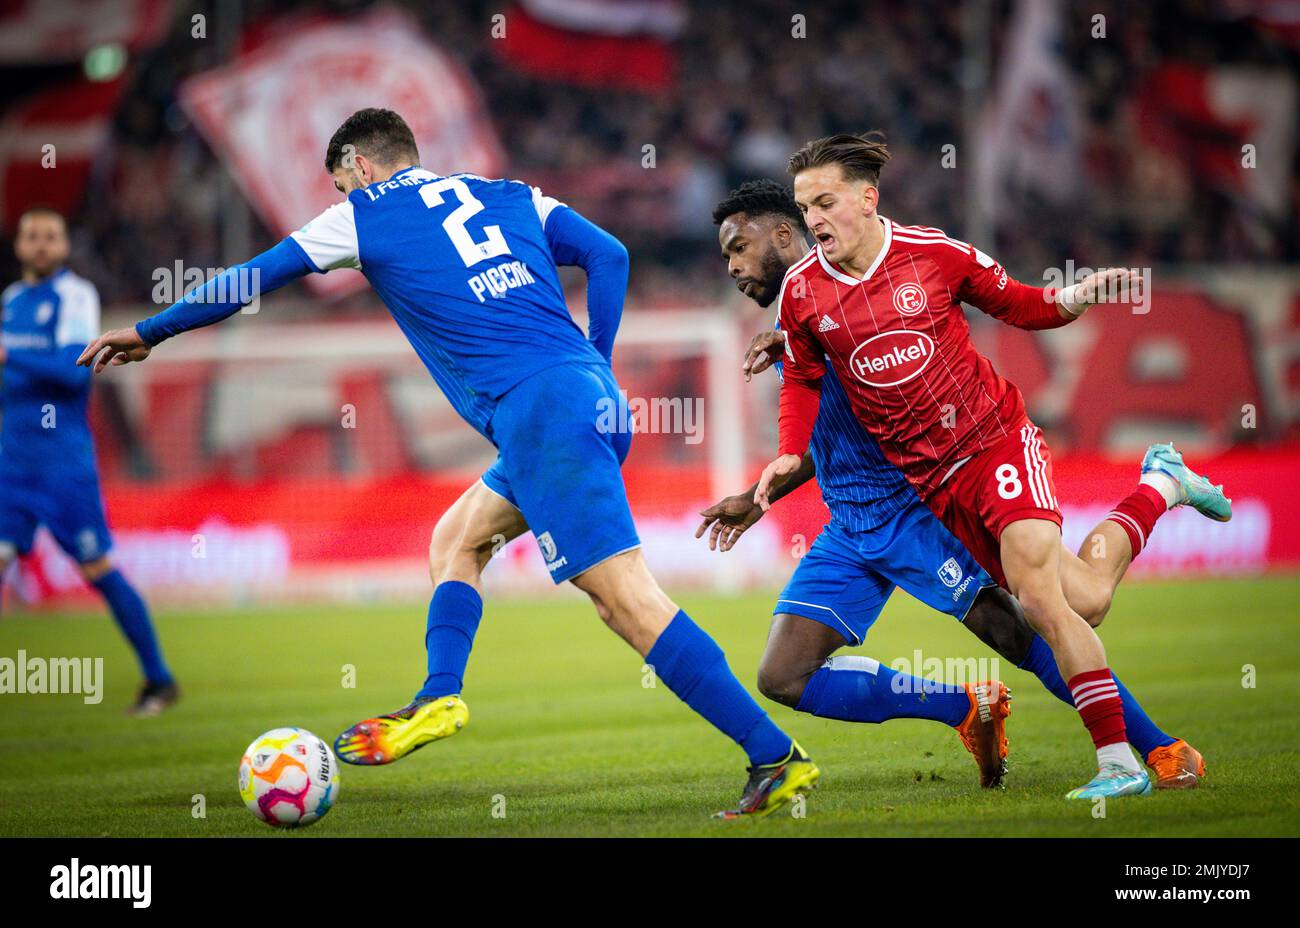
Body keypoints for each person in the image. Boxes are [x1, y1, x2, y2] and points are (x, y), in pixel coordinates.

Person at [77, 108, 817, 818]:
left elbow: (249, 281)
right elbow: (609, 254)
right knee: (456, 540)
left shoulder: (362, 212)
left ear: (359, 167)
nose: (342, 196)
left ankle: (773, 756)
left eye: (341, 183)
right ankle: (439, 693)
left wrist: (152, 330)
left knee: (625, 600)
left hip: (540, 414)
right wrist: (596, 361)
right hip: (580, 396)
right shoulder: (508, 195)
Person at [752, 134, 1229, 799]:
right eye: (806, 209)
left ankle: (1125, 761)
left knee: (1033, 609)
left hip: (994, 443)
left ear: (867, 198)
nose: (815, 221)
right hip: (933, 485)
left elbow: (1018, 302)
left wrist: (1070, 299)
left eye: (825, 203)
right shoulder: (803, 294)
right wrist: (786, 451)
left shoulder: (932, 254)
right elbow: (802, 381)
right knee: (1083, 601)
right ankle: (1161, 485)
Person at [1, 207, 177, 716]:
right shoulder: (11, 301)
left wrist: (13, 359)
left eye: (49, 236)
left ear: (63, 245)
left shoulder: (75, 296)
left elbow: (74, 372)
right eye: (30, 235)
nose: (39, 244)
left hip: (62, 466)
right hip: (13, 464)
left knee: (97, 567)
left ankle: (159, 680)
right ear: (18, 245)